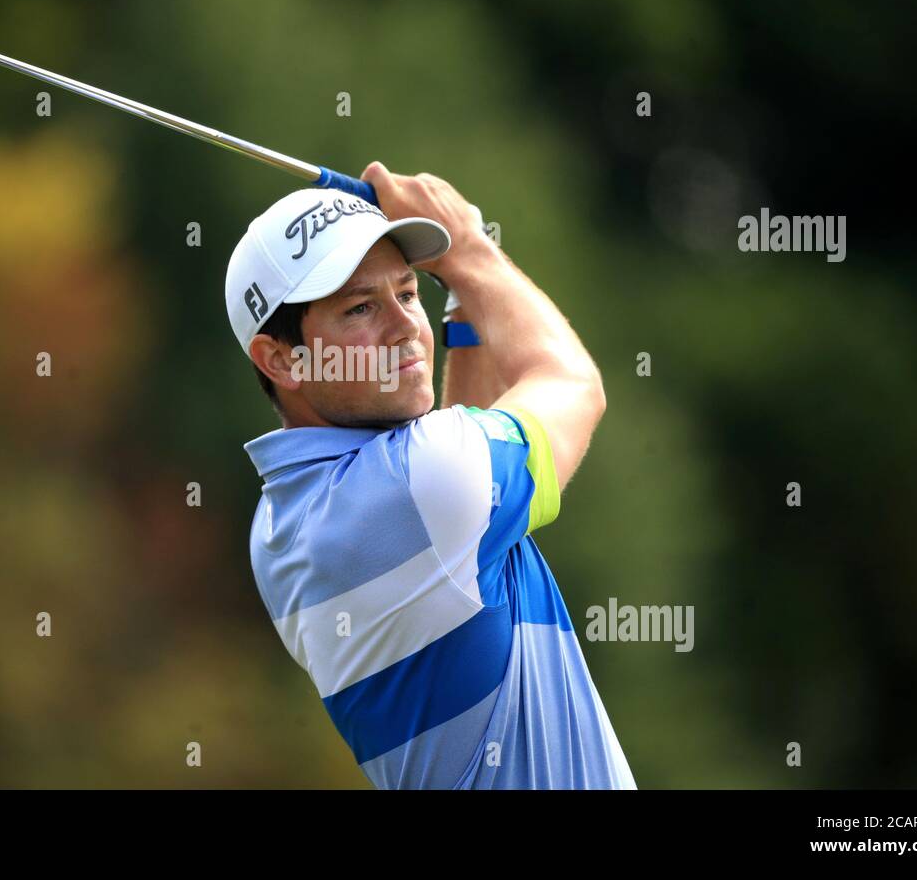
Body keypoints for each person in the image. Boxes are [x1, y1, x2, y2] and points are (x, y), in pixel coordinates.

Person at [224, 162, 636, 789]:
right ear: (282, 358)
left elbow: (450, 506)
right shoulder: (420, 483)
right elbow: (573, 385)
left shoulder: (280, 523)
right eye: (361, 308)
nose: (406, 328)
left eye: (408, 293)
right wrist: (470, 251)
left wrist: (465, 308)